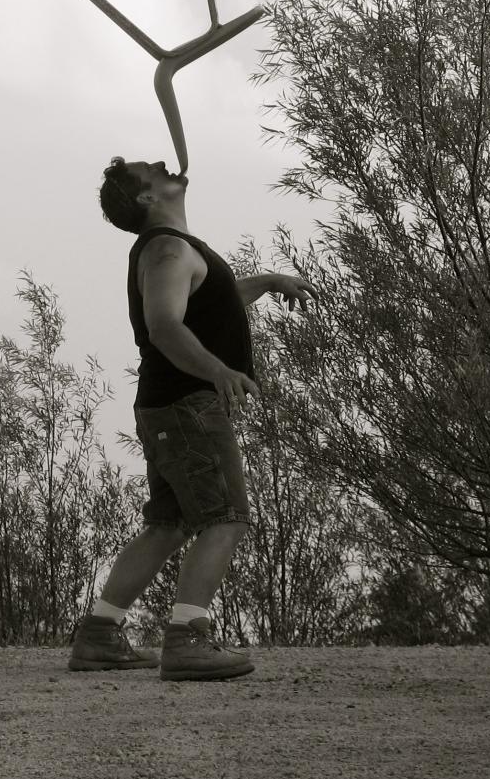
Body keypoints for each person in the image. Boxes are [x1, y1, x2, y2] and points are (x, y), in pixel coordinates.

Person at [68, 157, 318, 681]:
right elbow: (164, 326)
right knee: (224, 519)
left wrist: (267, 281)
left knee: (169, 524)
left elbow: (213, 303)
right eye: (149, 167)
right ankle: (187, 639)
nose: (163, 161)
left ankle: (98, 636)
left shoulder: (176, 250)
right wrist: (219, 369)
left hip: (167, 406)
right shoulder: (166, 249)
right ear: (145, 197)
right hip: (187, 406)